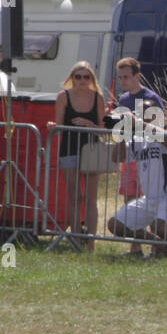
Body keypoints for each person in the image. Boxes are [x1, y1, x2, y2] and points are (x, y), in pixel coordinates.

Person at [107, 57, 167, 256]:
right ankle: (135, 246)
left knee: (152, 202)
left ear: (137, 76)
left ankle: (157, 247)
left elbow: (160, 128)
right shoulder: (124, 99)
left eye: (126, 77)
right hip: (131, 152)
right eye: (120, 77)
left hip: (150, 156)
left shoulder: (151, 97)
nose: (123, 81)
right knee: (130, 197)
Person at [52, 62, 107, 250]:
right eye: (78, 76)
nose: (82, 80)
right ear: (72, 79)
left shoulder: (98, 98)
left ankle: (91, 243)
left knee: (91, 199)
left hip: (92, 150)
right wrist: (53, 126)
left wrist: (88, 124)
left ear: (92, 79)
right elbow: (58, 125)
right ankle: (75, 240)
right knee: (75, 197)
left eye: (86, 77)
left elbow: (103, 129)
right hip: (69, 150)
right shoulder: (63, 96)